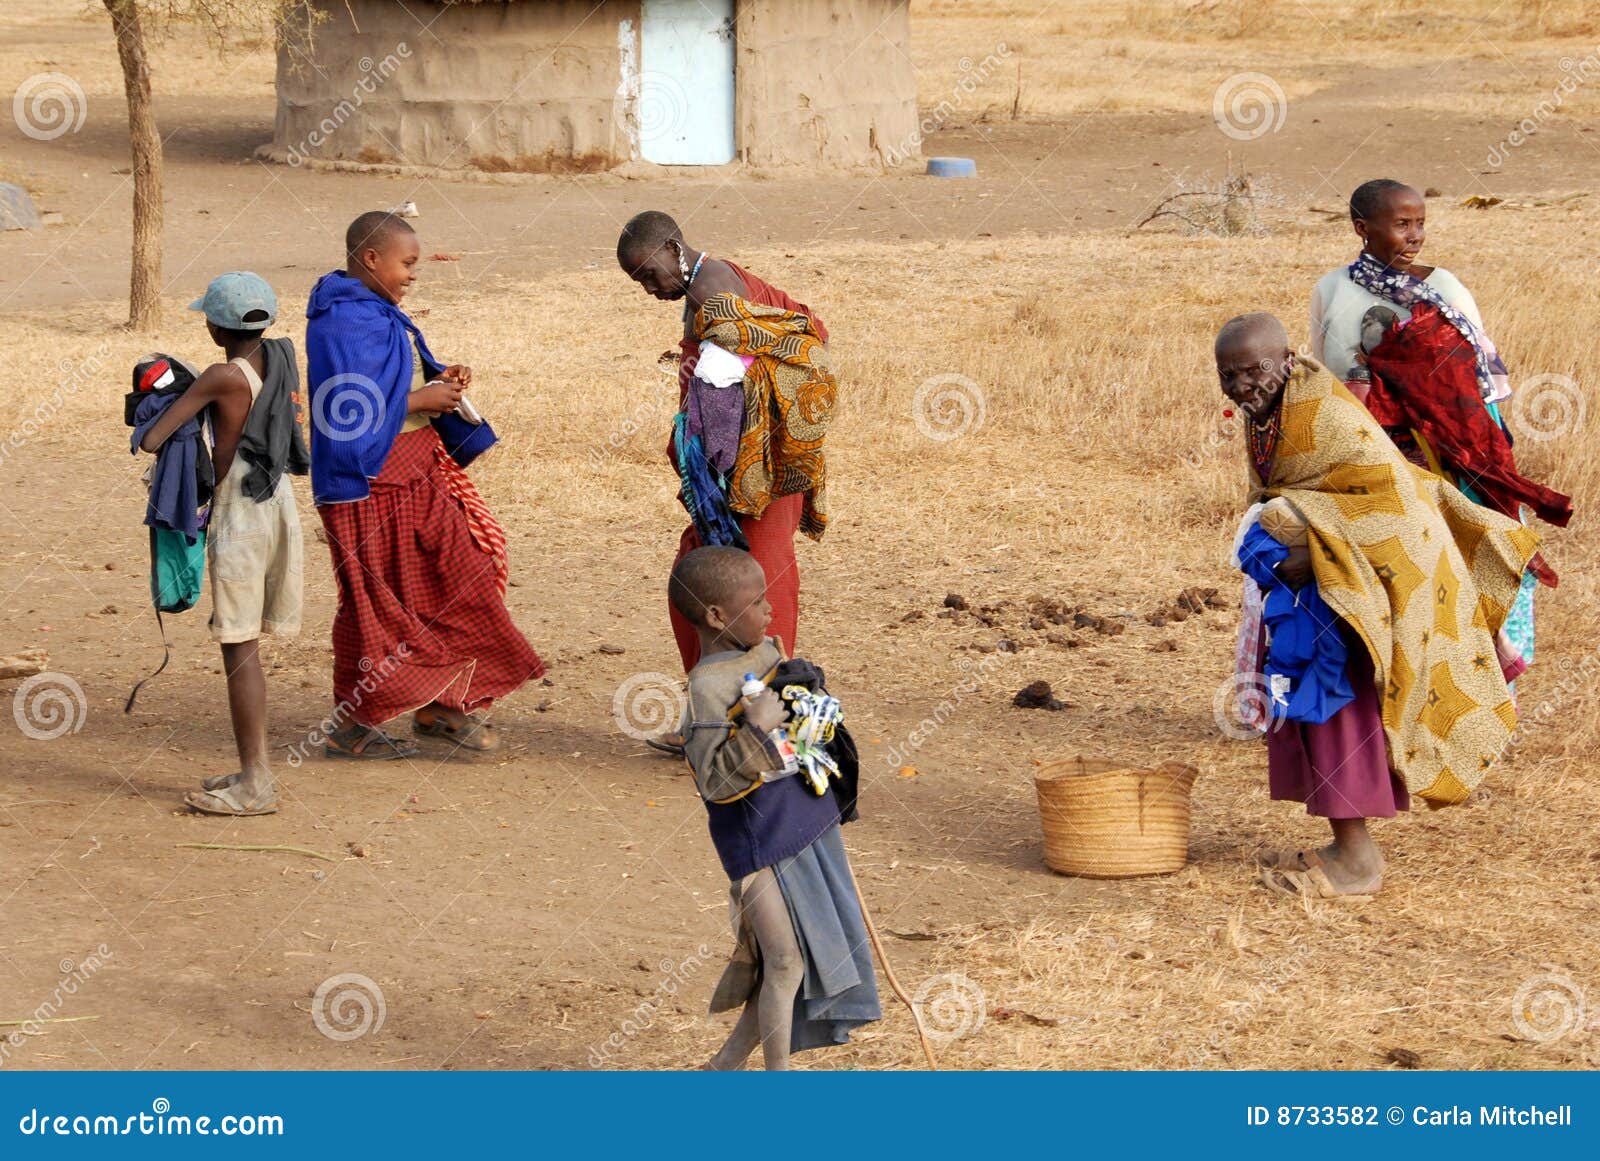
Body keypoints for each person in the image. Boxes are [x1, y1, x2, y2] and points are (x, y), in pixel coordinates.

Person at [1217, 313, 1539, 898]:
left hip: (1376, 577)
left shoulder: (1326, 417)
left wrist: (1307, 541)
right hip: (1331, 581)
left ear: (1286, 361)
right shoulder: (1270, 413)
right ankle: (1344, 846)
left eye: (1254, 370)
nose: (1243, 386)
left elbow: (1382, 501)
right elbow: (1294, 494)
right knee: (1320, 710)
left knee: (1340, 714)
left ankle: (1359, 865)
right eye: (1229, 376)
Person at [1309, 179, 1571, 679]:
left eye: (1421, 224)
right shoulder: (1331, 291)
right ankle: (1399, 684)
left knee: (1471, 557)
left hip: (1455, 455)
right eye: (1401, 224)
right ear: (1362, 229)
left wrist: (1487, 463)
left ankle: (1483, 679)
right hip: (1374, 453)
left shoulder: (1446, 289)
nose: (1415, 236)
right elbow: (1328, 380)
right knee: (1392, 568)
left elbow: (1480, 388)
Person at [305, 211, 543, 758]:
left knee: (466, 572)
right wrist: (419, 401)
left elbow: (388, 379)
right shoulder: (343, 320)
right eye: (407, 263)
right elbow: (343, 411)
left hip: (416, 467)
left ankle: (442, 708)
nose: (414, 274)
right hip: (367, 483)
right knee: (377, 603)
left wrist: (437, 380)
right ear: (371, 259)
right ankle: (353, 722)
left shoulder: (376, 312)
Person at [671, 545, 879, 1069]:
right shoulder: (705, 689)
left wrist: (809, 699)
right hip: (758, 845)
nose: (770, 612)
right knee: (784, 962)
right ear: (717, 616)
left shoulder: (766, 653)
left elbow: (803, 730)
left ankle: (721, 1069)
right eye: (758, 602)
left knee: (783, 966)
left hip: (808, 825)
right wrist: (757, 726)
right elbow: (714, 782)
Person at [617, 211, 833, 697]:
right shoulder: (712, 282)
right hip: (745, 471)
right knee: (700, 580)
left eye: (650, 274)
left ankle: (763, 715)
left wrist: (708, 470)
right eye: (640, 283)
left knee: (751, 587)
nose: (650, 289)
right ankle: (717, 711)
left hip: (753, 475)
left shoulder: (711, 292)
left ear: (674, 247)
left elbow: (725, 403)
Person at [136, 272, 308, 816]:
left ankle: (256, 783)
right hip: (276, 501)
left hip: (240, 516)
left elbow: (152, 437)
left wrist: (159, 399)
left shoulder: (219, 376)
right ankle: (248, 770)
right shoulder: (281, 356)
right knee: (246, 640)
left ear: (214, 327)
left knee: (239, 648)